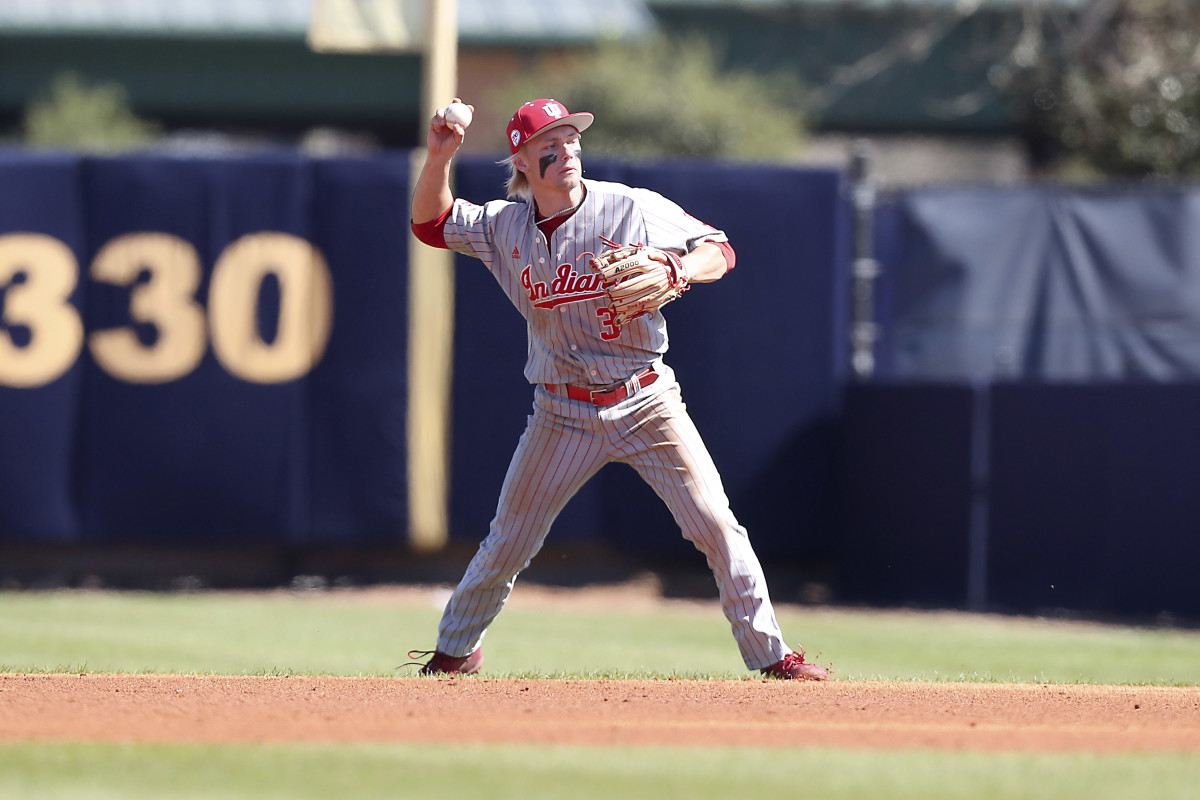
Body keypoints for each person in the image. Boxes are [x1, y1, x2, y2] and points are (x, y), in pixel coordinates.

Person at [406, 97, 828, 680]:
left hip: (646, 398)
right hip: (560, 413)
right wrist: (440, 157)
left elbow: (720, 249)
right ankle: (454, 652)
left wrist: (680, 270)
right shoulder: (504, 226)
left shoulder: (629, 207)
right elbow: (430, 224)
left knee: (716, 525)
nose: (566, 151)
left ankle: (773, 656)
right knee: (509, 541)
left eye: (572, 139)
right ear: (522, 161)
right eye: (548, 145)